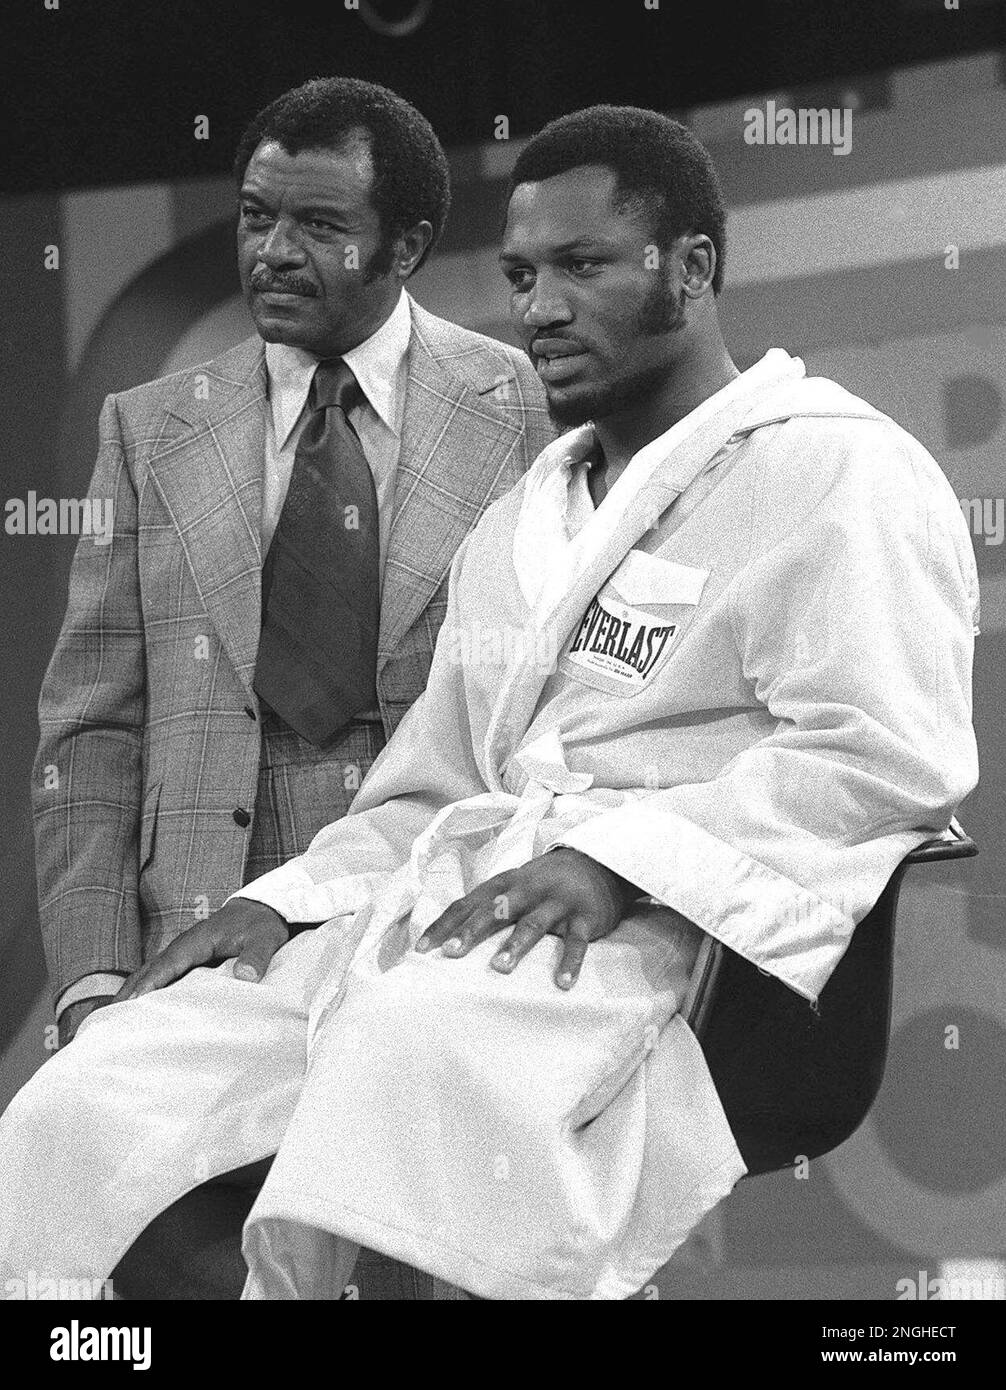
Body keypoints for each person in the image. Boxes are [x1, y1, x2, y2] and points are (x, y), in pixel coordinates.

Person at [4, 105, 978, 1300]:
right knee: (105, 1089)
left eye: (582, 265)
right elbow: (444, 777)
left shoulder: (837, 471)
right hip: (451, 905)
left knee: (404, 1050)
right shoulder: (529, 515)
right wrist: (287, 898)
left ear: (693, 267)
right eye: (521, 274)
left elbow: (881, 755)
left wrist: (618, 863)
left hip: (671, 938)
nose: (540, 308)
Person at [28, 76, 551, 1297]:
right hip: (204, 933)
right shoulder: (150, 428)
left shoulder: (530, 411)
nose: (272, 250)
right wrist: (96, 976)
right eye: (257, 215)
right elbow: (92, 725)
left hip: (437, 920)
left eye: (318, 225)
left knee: (444, 1271)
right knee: (180, 1276)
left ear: (408, 245)